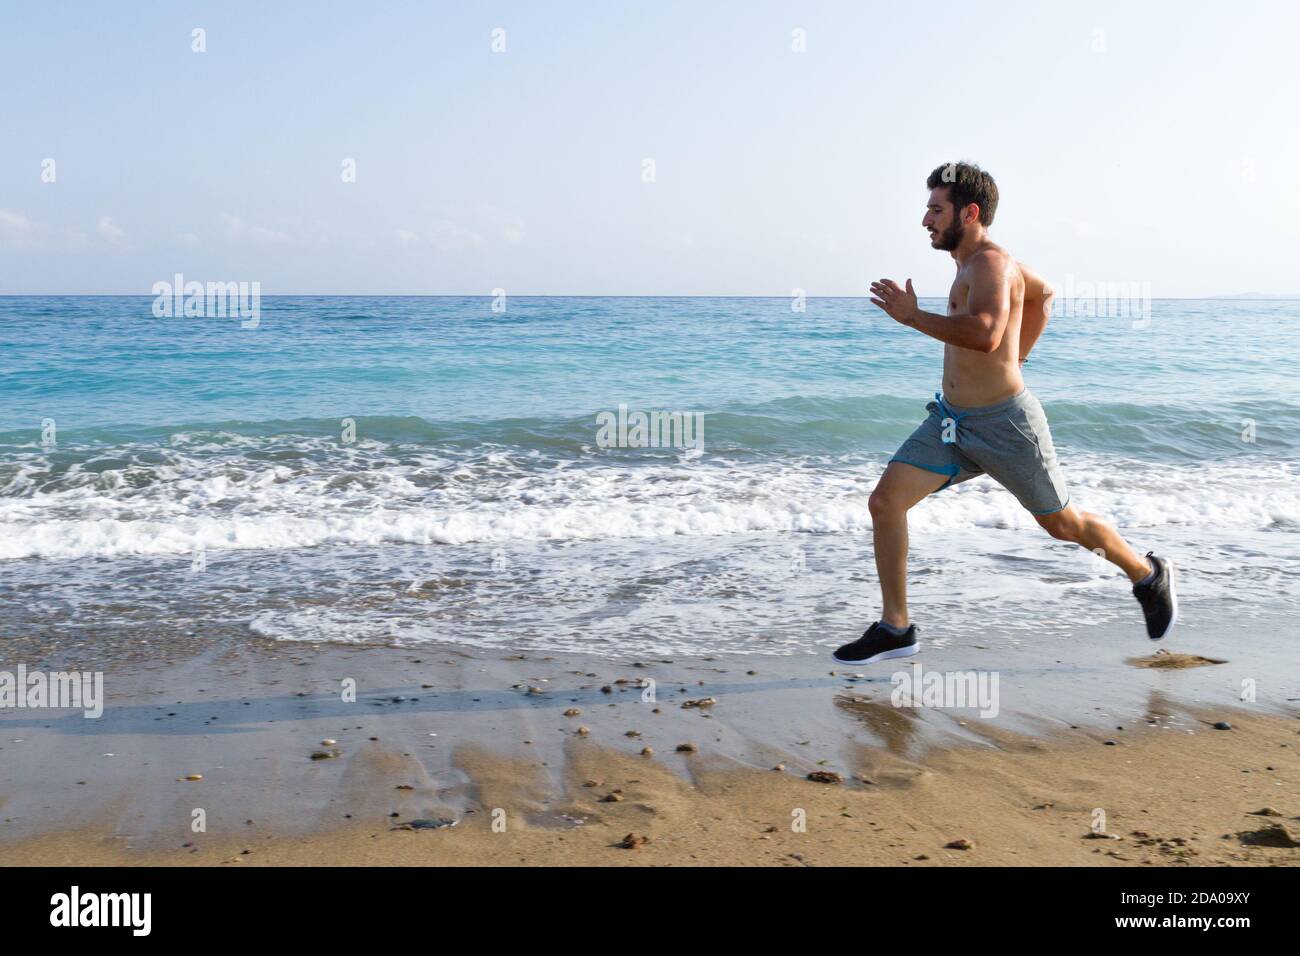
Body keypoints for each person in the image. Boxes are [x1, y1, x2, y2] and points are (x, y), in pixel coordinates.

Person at [832, 162, 1176, 665]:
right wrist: (1021, 357)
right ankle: (896, 627)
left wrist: (913, 318)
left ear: (968, 213)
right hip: (951, 423)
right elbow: (1043, 295)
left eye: (935, 209)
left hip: (1006, 425)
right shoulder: (975, 265)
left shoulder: (991, 265)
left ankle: (1147, 574)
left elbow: (987, 332)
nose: (925, 220)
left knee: (1063, 525)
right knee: (885, 503)